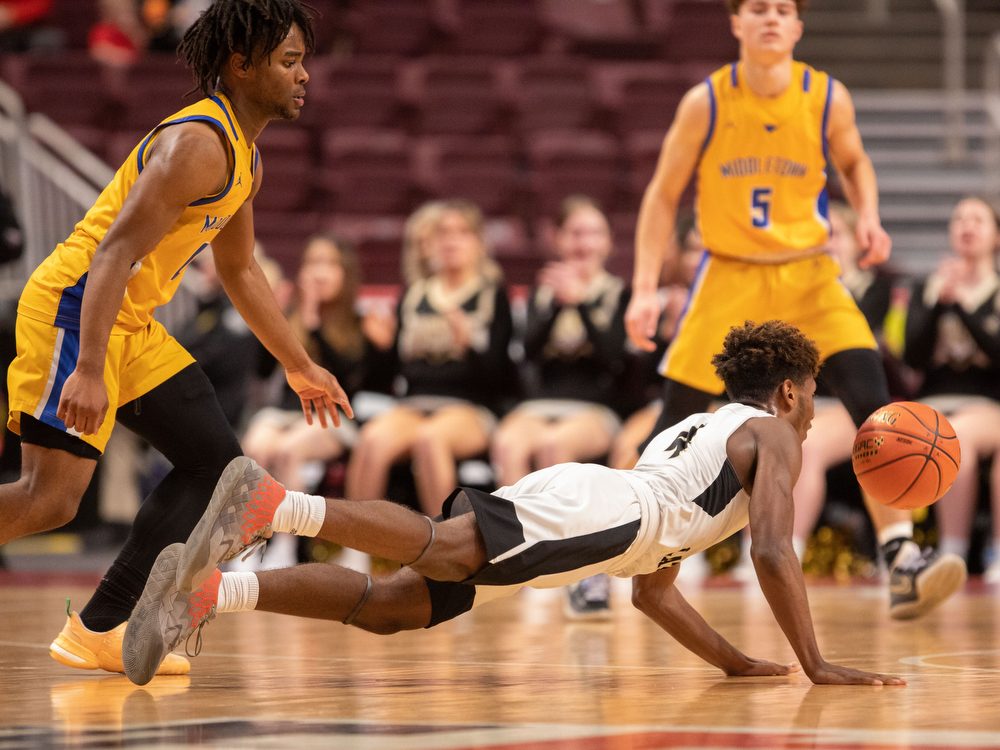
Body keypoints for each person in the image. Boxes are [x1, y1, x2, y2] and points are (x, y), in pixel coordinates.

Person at [123, 320, 905, 689]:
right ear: (793, 390)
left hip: (605, 511)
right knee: (443, 545)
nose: (812, 419)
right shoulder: (777, 433)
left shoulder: (710, 423)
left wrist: (737, 663)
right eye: (810, 403)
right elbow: (772, 550)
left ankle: (209, 592)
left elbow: (653, 589)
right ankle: (276, 504)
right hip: (609, 512)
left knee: (396, 606)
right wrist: (816, 662)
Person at [2, 0, 351, 677]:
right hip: (77, 311)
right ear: (240, 65)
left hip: (127, 319)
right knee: (49, 499)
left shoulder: (242, 153)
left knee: (218, 466)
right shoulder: (197, 144)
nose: (304, 74)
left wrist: (300, 365)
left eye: (303, 59)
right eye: (288, 61)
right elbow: (111, 255)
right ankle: (103, 625)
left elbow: (240, 269)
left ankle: (101, 628)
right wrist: (91, 368)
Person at [622, 0, 965, 618]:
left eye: (783, 9)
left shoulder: (824, 95)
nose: (771, 18)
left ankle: (902, 557)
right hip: (730, 273)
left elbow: (855, 160)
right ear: (736, 23)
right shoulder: (708, 101)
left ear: (799, 26)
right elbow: (662, 193)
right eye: (758, 8)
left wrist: (870, 216)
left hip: (809, 273)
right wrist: (646, 285)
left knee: (876, 407)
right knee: (670, 425)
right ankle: (609, 555)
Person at [490, 195, 628, 619]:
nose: (583, 242)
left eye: (593, 233)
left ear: (608, 242)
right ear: (558, 239)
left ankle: (577, 563)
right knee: (507, 444)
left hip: (595, 405)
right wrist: (556, 303)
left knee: (555, 449)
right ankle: (526, 554)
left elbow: (615, 362)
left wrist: (581, 302)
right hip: (541, 403)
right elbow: (528, 356)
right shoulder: (542, 290)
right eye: (575, 232)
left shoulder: (620, 292)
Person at [345, 200, 514, 518]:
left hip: (470, 406)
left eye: (462, 233)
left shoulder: (492, 295)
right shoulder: (414, 294)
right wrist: (379, 348)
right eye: (443, 233)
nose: (451, 241)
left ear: (477, 243)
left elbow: (502, 377)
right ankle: (358, 553)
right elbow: (388, 376)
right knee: (371, 439)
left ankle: (447, 549)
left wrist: (470, 347)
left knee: (430, 439)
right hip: (414, 404)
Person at [243, 233, 395, 493]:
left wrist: (314, 326)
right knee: (252, 452)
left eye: (330, 264)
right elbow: (263, 371)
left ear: (345, 273)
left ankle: (288, 534)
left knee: (287, 451)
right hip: (286, 412)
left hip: (334, 418)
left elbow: (347, 380)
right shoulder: (290, 317)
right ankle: (254, 532)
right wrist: (268, 322)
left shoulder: (361, 323)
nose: (320, 273)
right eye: (313, 263)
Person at [902, 197, 1000, 578]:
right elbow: (913, 357)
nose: (966, 225)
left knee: (955, 436)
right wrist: (939, 304)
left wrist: (962, 307)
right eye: (958, 218)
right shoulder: (926, 286)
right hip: (932, 401)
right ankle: (932, 552)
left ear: (995, 236)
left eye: (977, 218)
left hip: (988, 403)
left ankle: (966, 551)